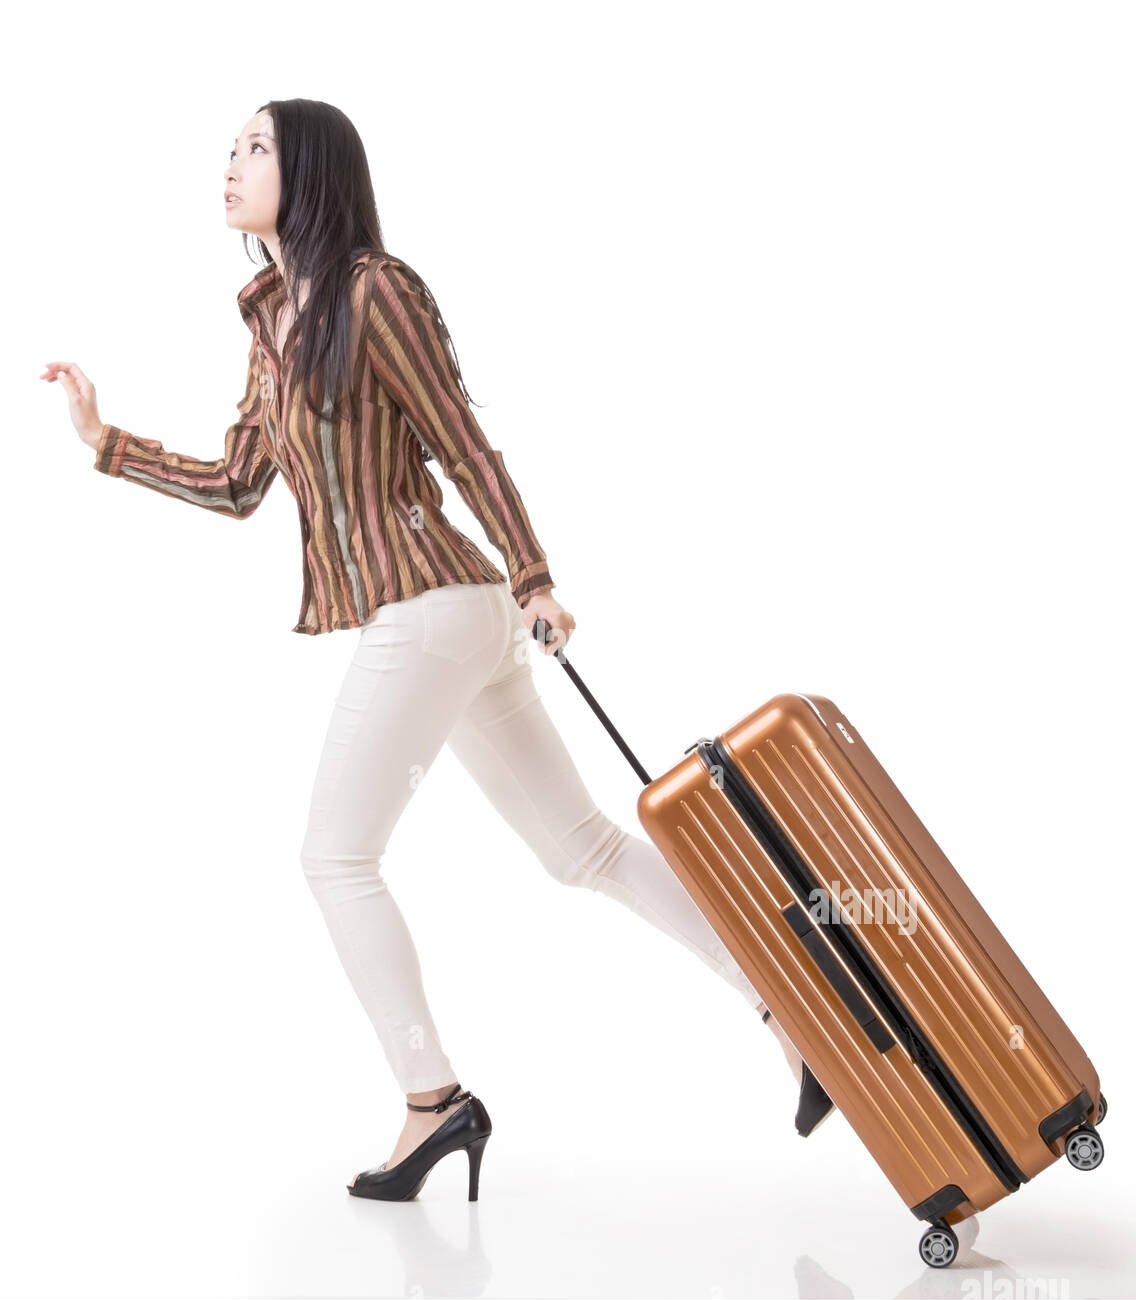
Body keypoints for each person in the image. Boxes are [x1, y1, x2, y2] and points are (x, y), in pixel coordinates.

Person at [41, 99, 833, 1203]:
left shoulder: (375, 288)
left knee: (334, 858)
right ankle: (791, 1010)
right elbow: (236, 487)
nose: (230, 163)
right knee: (582, 851)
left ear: (312, 170)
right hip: (440, 618)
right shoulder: (271, 319)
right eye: (230, 147)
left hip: (442, 605)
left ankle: (431, 1101)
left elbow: (461, 438)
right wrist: (102, 443)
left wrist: (535, 573)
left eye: (256, 148)